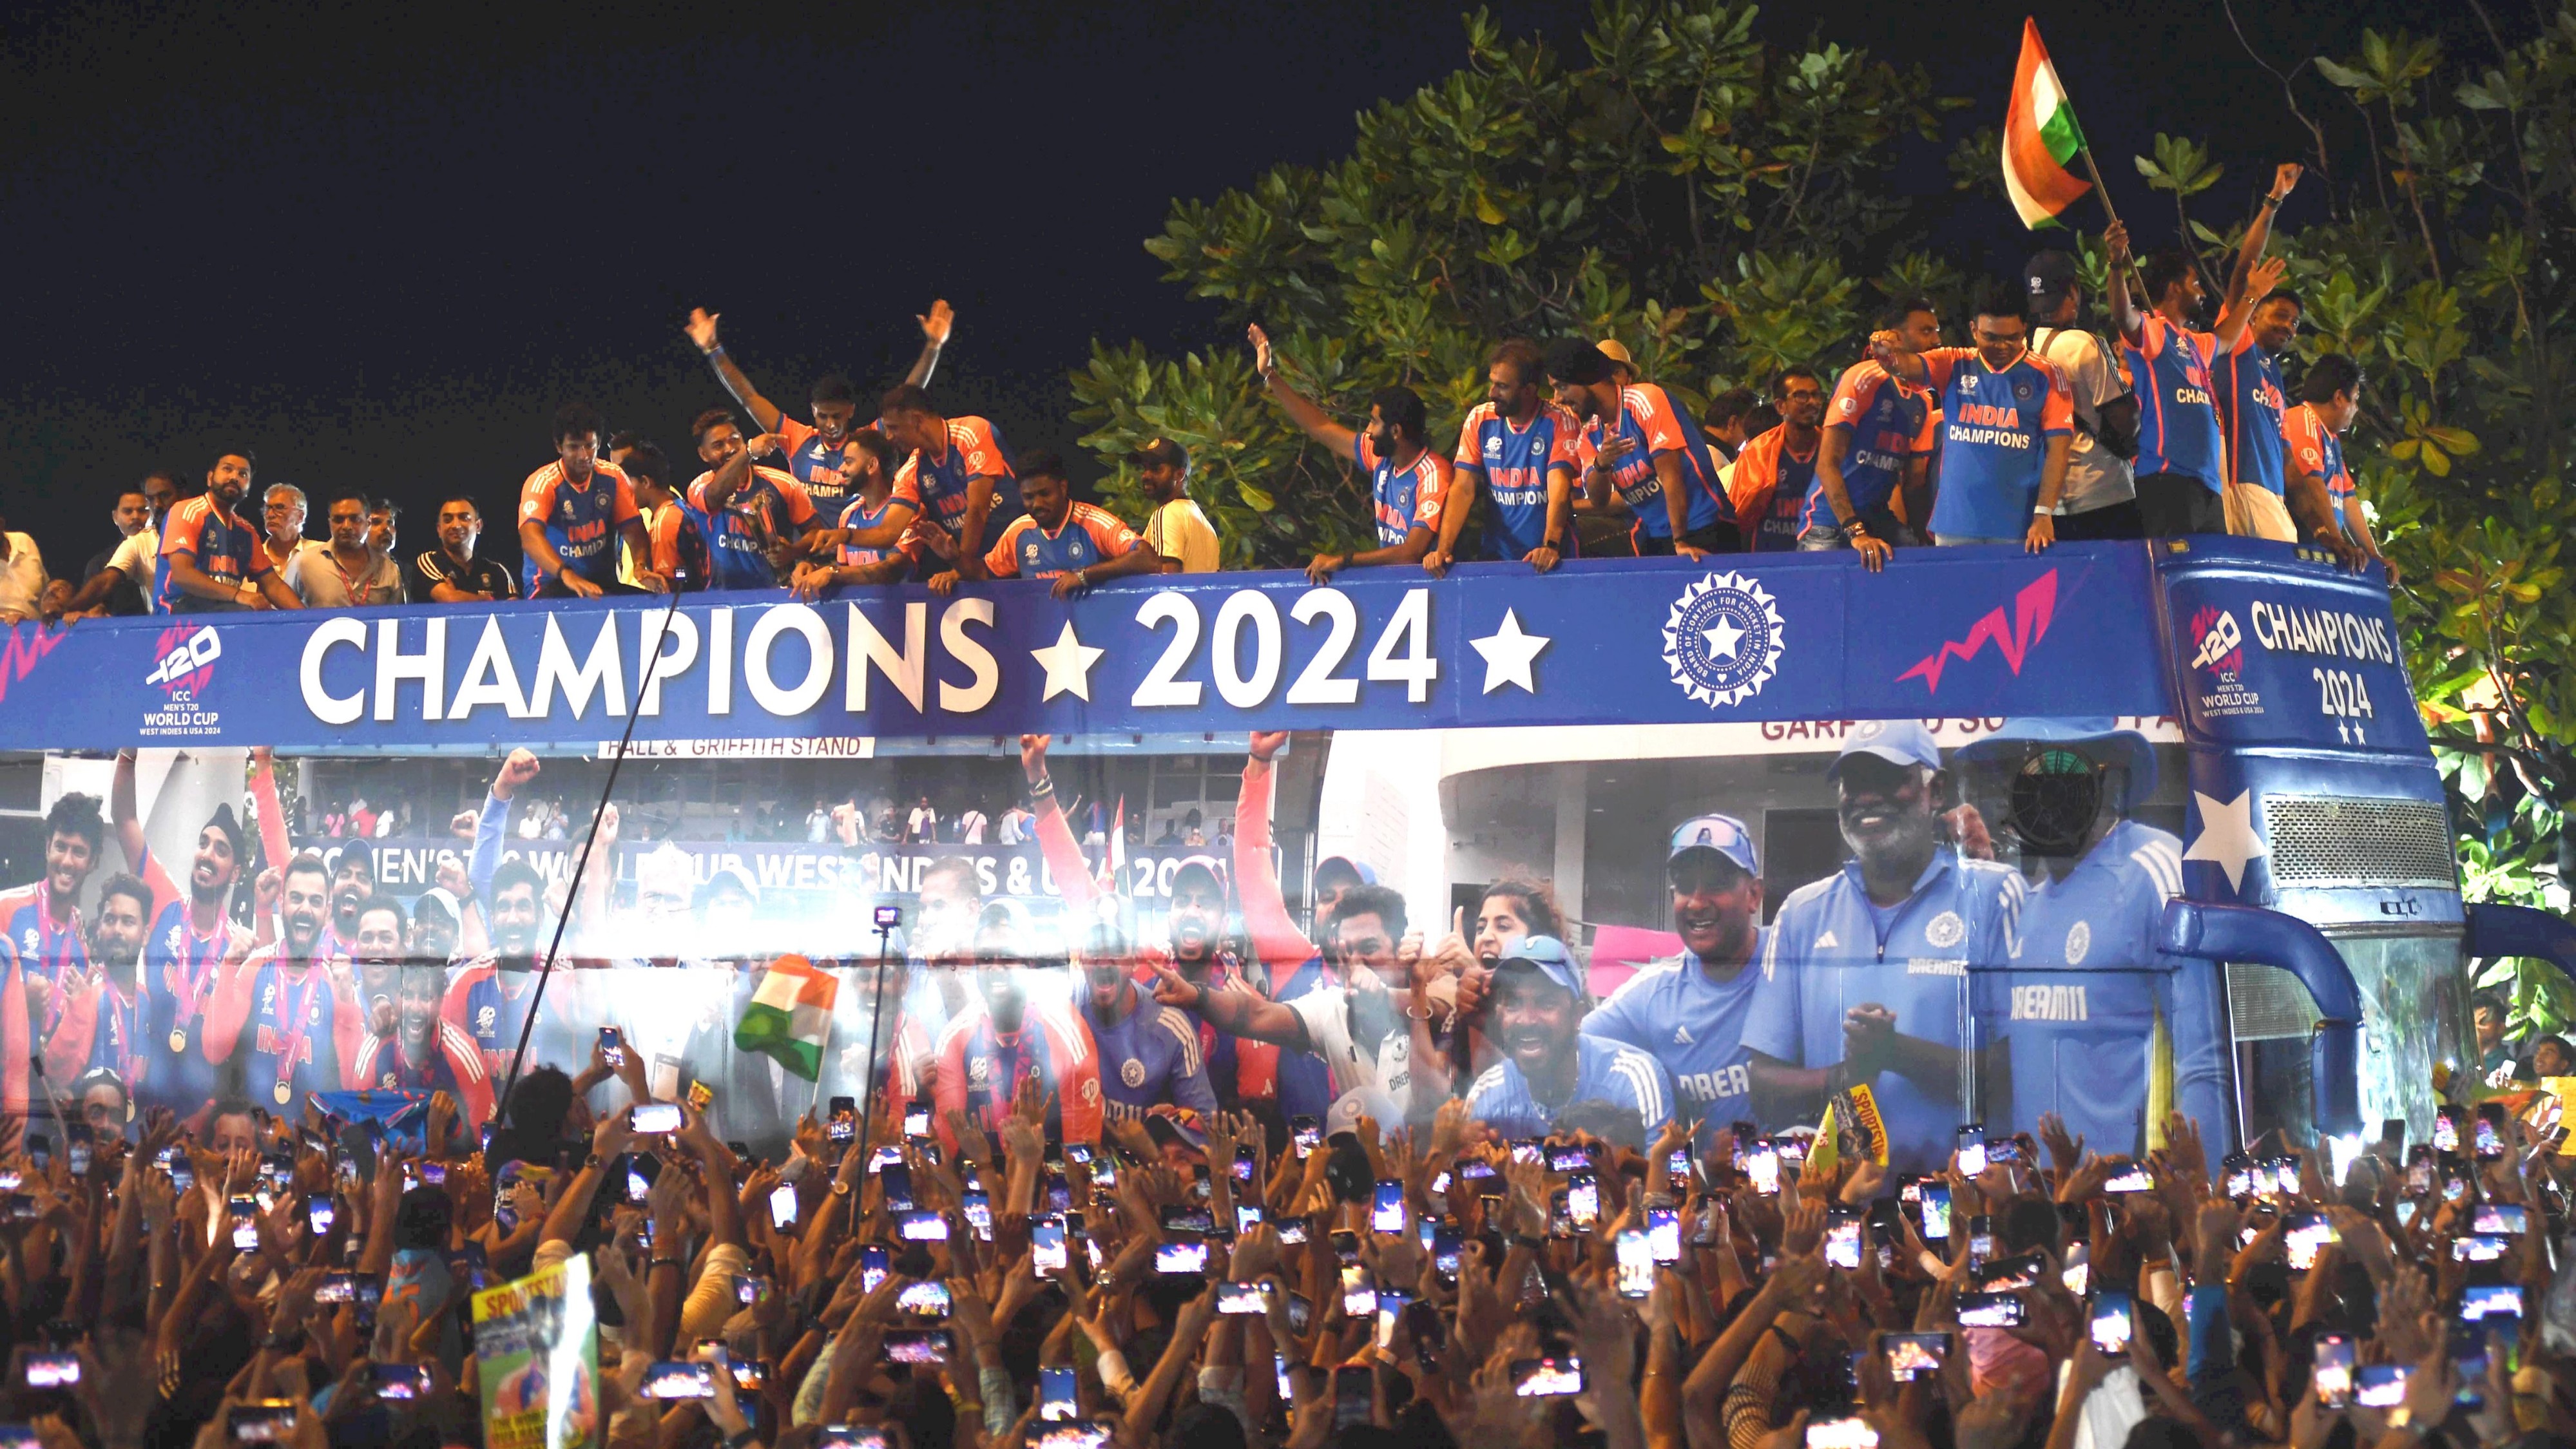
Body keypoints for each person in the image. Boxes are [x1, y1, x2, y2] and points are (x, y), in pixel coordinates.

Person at [1742, 721, 2023, 1171]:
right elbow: (1763, 1084)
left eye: (1890, 779)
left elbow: (2015, 1073)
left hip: (1959, 1206)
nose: (1868, 797)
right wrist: (1845, 1078)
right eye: (1855, 783)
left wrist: (1896, 1053)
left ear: (1937, 791)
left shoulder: (1995, 895)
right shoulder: (1802, 912)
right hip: (1840, 1203)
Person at [1957, 719, 2225, 1166]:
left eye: (2050, 772)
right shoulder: (2028, 905)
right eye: (2019, 776)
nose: (2031, 792)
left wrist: (2196, 1204)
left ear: (2107, 778)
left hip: (2130, 1210)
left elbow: (2204, 1063)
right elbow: (2009, 1077)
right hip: (2048, 1207)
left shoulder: (2152, 870)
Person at [1151, 882, 1447, 1124]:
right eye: (1346, 952)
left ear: (1399, 950)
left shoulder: (1437, 997)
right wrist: (1197, 995)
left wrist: (1409, 998)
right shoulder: (1331, 1009)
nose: (1356, 964)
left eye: (1369, 948)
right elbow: (1255, 1014)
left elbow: (1431, 1101)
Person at [1578, 815, 1768, 1144]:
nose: (1696, 902)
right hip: (1707, 1189)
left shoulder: (1793, 963)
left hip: (1809, 1185)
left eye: (1716, 883)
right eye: (1684, 886)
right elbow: (1570, 1051)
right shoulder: (1654, 992)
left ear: (1754, 895)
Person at [685, 300, 952, 509]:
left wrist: (933, 347)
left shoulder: (868, 439)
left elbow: (908, 396)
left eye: (837, 416)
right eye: (823, 416)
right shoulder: (797, 438)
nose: (831, 424)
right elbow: (748, 397)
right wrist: (713, 350)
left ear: (851, 411)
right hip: (810, 556)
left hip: (861, 547)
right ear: (813, 411)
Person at [105, 750, 257, 1115]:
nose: (207, 854)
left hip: (199, 1118)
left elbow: (238, 1053)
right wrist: (128, 753)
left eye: (221, 851)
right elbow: (124, 818)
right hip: (141, 1100)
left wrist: (203, 1119)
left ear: (235, 873)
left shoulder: (237, 947)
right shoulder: (165, 903)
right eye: (203, 843)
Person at [2106, 211, 2274, 538]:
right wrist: (2116, 265)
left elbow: (2226, 337)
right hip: (2169, 481)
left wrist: (2253, 296)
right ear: (2173, 289)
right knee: (2173, 582)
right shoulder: (2154, 333)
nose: (2203, 292)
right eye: (2195, 283)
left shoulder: (2195, 344)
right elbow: (2123, 315)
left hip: (2208, 486)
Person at [1871, 282, 2073, 551]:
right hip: (1955, 524)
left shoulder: (2047, 374)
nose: (2002, 346)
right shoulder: (1953, 363)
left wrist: (2043, 514)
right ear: (1973, 330)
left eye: (2011, 338)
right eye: (1991, 337)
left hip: (2018, 527)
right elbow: (1906, 366)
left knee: (2012, 595)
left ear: (2024, 329)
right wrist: (1887, 352)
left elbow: (2058, 450)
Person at [1246, 324, 1452, 583]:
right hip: (1396, 585)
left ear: (1396, 431)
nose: (1368, 430)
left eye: (1374, 422)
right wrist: (1270, 375)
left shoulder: (1433, 474)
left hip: (1431, 590)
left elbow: (1411, 553)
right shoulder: (1382, 457)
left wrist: (1344, 561)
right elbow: (1320, 427)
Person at [1465, 936, 1673, 1148]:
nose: (1527, 1020)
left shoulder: (1631, 1079)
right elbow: (1450, 1178)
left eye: (1546, 1003)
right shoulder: (1487, 1096)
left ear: (1577, 1016)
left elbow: (1673, 1180)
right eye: (1513, 1003)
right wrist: (1452, 1154)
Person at [1545, 336, 1738, 557]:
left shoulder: (1646, 400)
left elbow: (1671, 476)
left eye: (1562, 387)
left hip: (1706, 525)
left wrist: (1681, 541)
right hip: (1658, 536)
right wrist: (1602, 463)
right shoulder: (1589, 434)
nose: (1557, 398)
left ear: (1586, 379)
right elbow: (1600, 501)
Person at [202, 850, 362, 1108]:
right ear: (282, 902)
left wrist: (347, 1007)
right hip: (252, 1140)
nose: (305, 909)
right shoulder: (255, 967)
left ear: (328, 911)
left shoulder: (337, 983)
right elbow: (214, 1051)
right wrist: (228, 966)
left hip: (307, 1143)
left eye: (315, 901)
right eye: (296, 898)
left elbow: (350, 1084)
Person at [931, 914, 1104, 1149]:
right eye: (986, 958)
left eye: (1008, 956)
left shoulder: (1068, 1030)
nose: (996, 967)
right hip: (981, 1179)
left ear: (1029, 962)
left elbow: (1082, 1152)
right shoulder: (954, 1037)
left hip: (1050, 1181)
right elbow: (947, 1153)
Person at [1800, 300, 1941, 568]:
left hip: (1877, 519)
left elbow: (1914, 482)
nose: (1936, 340)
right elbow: (1827, 463)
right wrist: (1856, 532)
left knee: (1917, 562)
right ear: (1896, 336)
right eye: (1926, 331)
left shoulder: (1923, 401)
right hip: (1829, 523)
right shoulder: (1863, 378)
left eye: (1936, 331)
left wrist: (1925, 537)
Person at [2024, 251, 2142, 539]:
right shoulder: (2084, 345)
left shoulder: (2027, 349)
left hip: (2054, 503)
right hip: (2105, 493)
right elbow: (2126, 421)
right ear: (2074, 292)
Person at [1437, 338, 1581, 572]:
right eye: (1492, 383)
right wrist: (1444, 549)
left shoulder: (1560, 421)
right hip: (1496, 557)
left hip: (1553, 558)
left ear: (1529, 391)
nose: (1492, 393)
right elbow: (1463, 488)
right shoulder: (1480, 419)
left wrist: (1550, 546)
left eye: (1502, 386)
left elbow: (1560, 488)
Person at [931, 450, 1157, 599]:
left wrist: (1082, 576)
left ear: (1063, 488)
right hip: (1041, 640)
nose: (1037, 503)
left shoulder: (1093, 522)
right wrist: (955, 559)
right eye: (1029, 497)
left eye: (1044, 494)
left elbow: (1148, 560)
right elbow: (983, 573)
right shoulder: (1019, 531)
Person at [1073, 922, 1218, 1129]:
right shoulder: (1066, 1009)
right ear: (1081, 957)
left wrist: (1170, 1124)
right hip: (1080, 1156)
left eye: (1117, 951)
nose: (1104, 963)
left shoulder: (1171, 1028)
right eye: (1094, 949)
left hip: (1146, 1159)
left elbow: (1206, 1127)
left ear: (1135, 959)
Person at [352, 922, 498, 1124]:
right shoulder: (374, 1048)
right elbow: (356, 1128)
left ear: (440, 1001)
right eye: (408, 995)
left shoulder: (462, 1054)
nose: (416, 1007)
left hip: (450, 1155)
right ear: (396, 996)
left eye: (426, 997)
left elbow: (487, 1138)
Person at [519, 402, 664, 598]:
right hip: (550, 584)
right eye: (574, 447)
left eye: (589, 446)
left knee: (651, 603)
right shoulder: (543, 482)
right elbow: (530, 538)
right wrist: (567, 574)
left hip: (601, 584)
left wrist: (640, 566)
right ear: (558, 446)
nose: (584, 456)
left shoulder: (614, 477)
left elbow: (634, 532)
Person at [879, 383, 1018, 573]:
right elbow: (888, 533)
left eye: (893, 428)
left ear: (917, 420)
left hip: (1021, 556)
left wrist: (961, 569)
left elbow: (978, 509)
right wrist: (842, 536)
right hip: (981, 569)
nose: (888, 437)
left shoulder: (972, 431)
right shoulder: (912, 469)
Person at [2283, 353, 2392, 578]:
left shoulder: (2330, 439)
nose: (2356, 409)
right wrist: (2338, 541)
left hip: (2324, 550)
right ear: (2339, 398)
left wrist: (2374, 555)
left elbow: (2348, 499)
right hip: (2301, 544)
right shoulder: (2303, 419)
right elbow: (2311, 483)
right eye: (2355, 399)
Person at [686, 410, 818, 590]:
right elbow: (715, 498)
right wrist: (747, 452)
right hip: (719, 597)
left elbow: (817, 533)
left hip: (775, 596)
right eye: (718, 445)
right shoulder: (700, 485)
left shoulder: (784, 484)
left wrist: (793, 552)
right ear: (703, 454)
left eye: (734, 440)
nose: (730, 449)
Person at [157, 449, 300, 611]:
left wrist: (312, 622)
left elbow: (273, 585)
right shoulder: (186, 511)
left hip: (224, 608)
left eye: (243, 474)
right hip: (177, 609)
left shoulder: (247, 532)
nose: (234, 477)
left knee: (273, 621)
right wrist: (238, 594)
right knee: (249, 615)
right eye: (227, 469)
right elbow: (182, 575)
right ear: (210, 478)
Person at [787, 432, 927, 597]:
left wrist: (832, 571)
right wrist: (814, 569)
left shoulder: (908, 513)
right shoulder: (848, 515)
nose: (841, 469)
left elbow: (892, 572)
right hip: (857, 615)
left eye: (848, 462)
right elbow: (844, 572)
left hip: (902, 614)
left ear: (872, 466)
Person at [1724, 367, 1827, 552]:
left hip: (1820, 556)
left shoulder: (1831, 449)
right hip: (1766, 559)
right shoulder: (1758, 451)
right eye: (1801, 396)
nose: (1812, 402)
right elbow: (1738, 515)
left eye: (1816, 395)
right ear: (1780, 406)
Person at [292, 489, 403, 608]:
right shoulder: (304, 562)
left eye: (355, 519)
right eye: (339, 520)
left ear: (368, 523)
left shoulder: (389, 570)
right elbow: (283, 614)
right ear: (330, 523)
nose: (347, 526)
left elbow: (397, 621)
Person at [405, 494, 519, 602]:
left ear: (478, 526)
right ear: (439, 529)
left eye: (464, 518)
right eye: (448, 520)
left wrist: (460, 595)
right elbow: (451, 599)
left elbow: (514, 612)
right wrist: (488, 600)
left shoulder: (497, 571)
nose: (456, 525)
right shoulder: (429, 561)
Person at [1132, 437, 1220, 573]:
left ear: (1179, 475)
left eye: (1156, 469)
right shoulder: (1205, 524)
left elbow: (1166, 581)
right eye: (1145, 468)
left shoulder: (1167, 514)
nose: (1146, 475)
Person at [75, 483, 153, 618]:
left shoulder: (167, 550)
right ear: (115, 517)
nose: (135, 516)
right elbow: (94, 609)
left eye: (143, 510)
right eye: (128, 511)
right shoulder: (99, 563)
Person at [0, 515, 48, 624]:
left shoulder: (24, 541)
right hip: (5, 636)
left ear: (1, 524)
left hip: (39, 632)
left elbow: (45, 589)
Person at [257, 482, 309, 581]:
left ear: (300, 517)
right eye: (267, 508)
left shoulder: (320, 553)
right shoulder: (249, 557)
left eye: (280, 508)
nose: (270, 515)